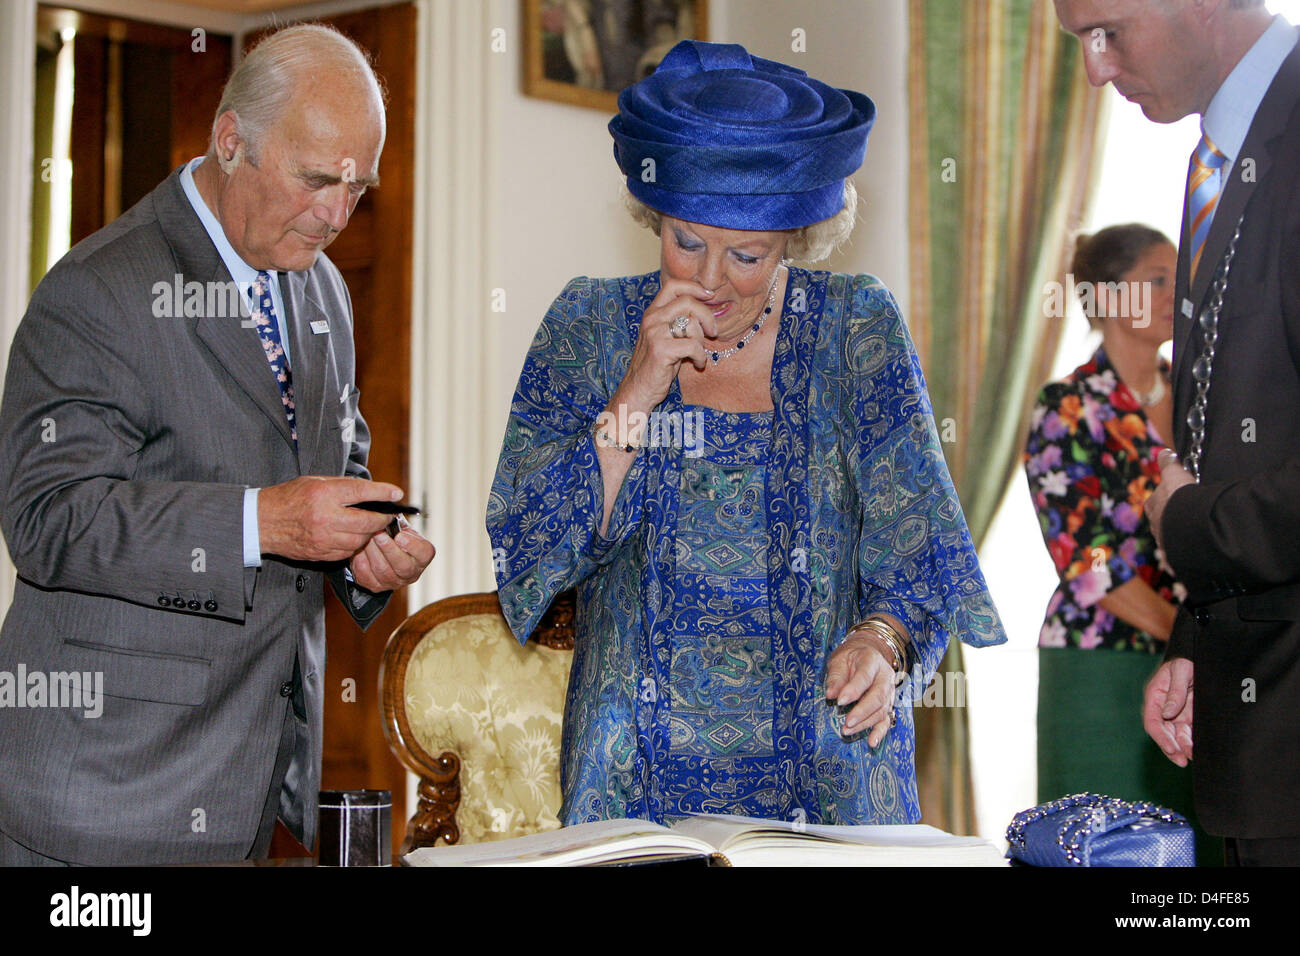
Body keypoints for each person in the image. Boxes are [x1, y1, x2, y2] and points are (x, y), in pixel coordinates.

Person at [487, 40, 1005, 826]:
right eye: (686, 241)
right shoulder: (589, 324)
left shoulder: (856, 327)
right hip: (633, 774)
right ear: (653, 214)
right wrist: (639, 387)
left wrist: (883, 640)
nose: (710, 279)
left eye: (749, 254)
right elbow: (526, 549)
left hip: (828, 771)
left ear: (797, 237)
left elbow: (919, 546)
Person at [0, 24, 434, 866]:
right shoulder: (99, 288)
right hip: (102, 795)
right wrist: (260, 522)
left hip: (248, 786)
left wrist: (362, 548)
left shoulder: (326, 293)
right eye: (316, 180)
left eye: (358, 188)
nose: (336, 215)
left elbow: (331, 464)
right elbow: (47, 517)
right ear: (231, 142)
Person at [1056, 0, 1300, 865]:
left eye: (1106, 31)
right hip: (1243, 731)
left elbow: (1199, 497)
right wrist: (1201, 637)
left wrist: (1190, 529)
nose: (1094, 69)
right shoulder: (1220, 157)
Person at [1025, 225, 1217, 858]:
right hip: (1102, 667)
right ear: (1106, 297)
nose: (1173, 292)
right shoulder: (1069, 406)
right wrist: (1189, 638)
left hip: (1200, 666)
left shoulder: (1204, 403)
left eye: (1176, 278)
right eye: (1156, 279)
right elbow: (1089, 560)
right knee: (1104, 849)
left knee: (1204, 856)